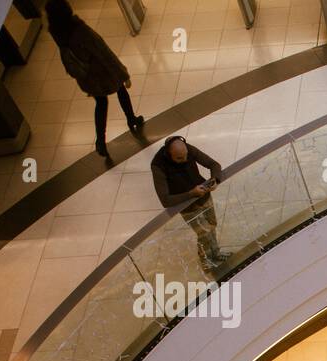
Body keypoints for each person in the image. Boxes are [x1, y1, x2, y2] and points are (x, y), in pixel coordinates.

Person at [45, 0, 143, 159]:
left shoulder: (57, 32)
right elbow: (103, 52)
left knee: (101, 103)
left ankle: (101, 141)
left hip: (87, 76)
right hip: (102, 72)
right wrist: (123, 74)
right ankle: (131, 118)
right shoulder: (80, 30)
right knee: (121, 89)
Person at [151, 135, 226, 274]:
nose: (184, 160)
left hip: (204, 197)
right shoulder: (158, 165)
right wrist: (191, 194)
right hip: (187, 206)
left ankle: (215, 253)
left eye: (186, 156)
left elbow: (214, 165)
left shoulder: (187, 150)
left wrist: (215, 179)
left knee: (212, 226)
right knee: (203, 233)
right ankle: (206, 260)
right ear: (169, 154)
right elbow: (165, 200)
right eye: (179, 158)